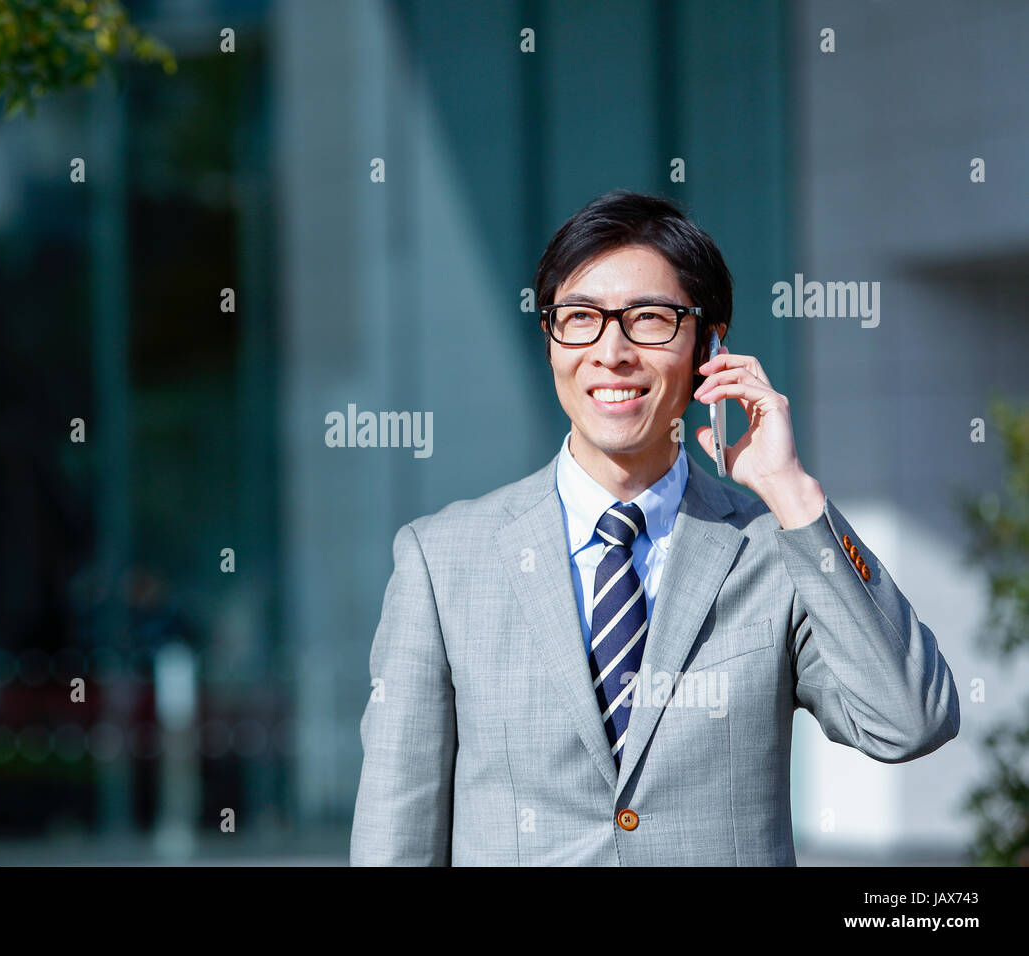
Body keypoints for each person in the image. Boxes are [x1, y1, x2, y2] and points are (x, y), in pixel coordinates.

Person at [349, 189, 960, 865]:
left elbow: (911, 720)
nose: (611, 352)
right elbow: (395, 835)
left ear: (711, 343)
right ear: (550, 337)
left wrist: (792, 493)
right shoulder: (442, 561)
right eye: (579, 318)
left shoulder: (773, 549)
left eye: (650, 319)